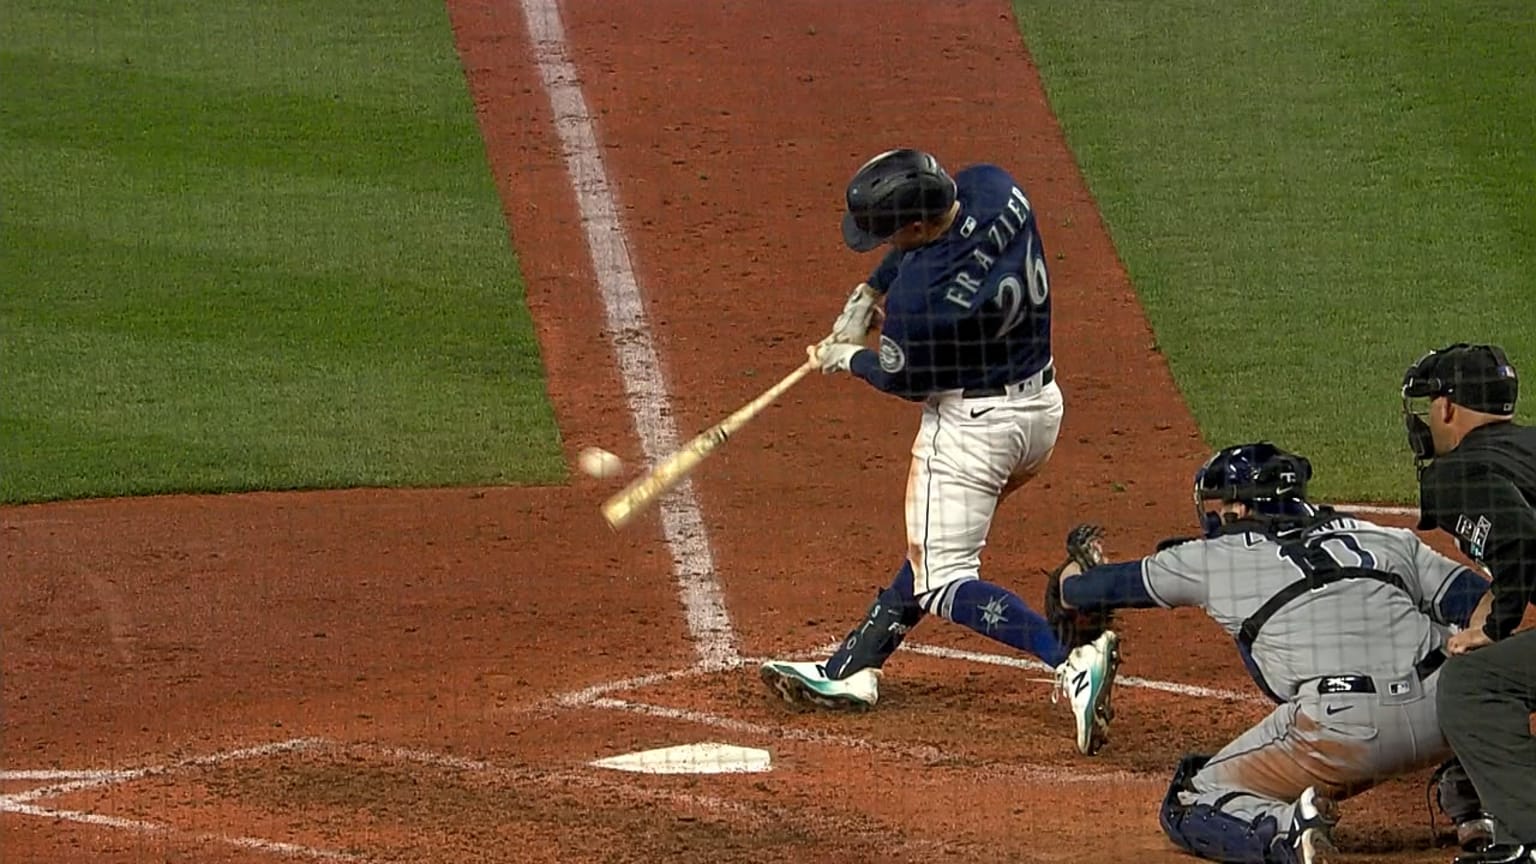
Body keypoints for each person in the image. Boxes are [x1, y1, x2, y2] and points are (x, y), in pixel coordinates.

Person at [755, 148, 1120, 756]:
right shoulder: (996, 186)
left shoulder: (921, 300)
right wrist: (872, 287)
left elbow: (904, 380)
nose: (885, 243)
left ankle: (1070, 659)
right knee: (933, 545)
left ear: (919, 224)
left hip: (974, 433)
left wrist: (848, 358)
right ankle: (853, 667)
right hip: (1040, 412)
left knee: (944, 580)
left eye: (889, 234)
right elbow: (932, 250)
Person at [1053, 441, 1491, 864]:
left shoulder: (1211, 558)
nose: (1217, 515)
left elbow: (1093, 590)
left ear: (1241, 509)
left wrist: (1071, 574)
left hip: (1345, 733)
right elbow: (1484, 605)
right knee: (1467, 643)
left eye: (1222, 504)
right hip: (1449, 711)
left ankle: (1289, 829)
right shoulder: (1383, 536)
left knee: (1190, 799)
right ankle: (1477, 807)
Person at [1401, 343, 1536, 864]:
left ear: (1447, 407)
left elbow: (1520, 538)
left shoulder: (1457, 471)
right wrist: (1496, 600)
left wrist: (1497, 625)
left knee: (1473, 683)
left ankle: (1528, 839)